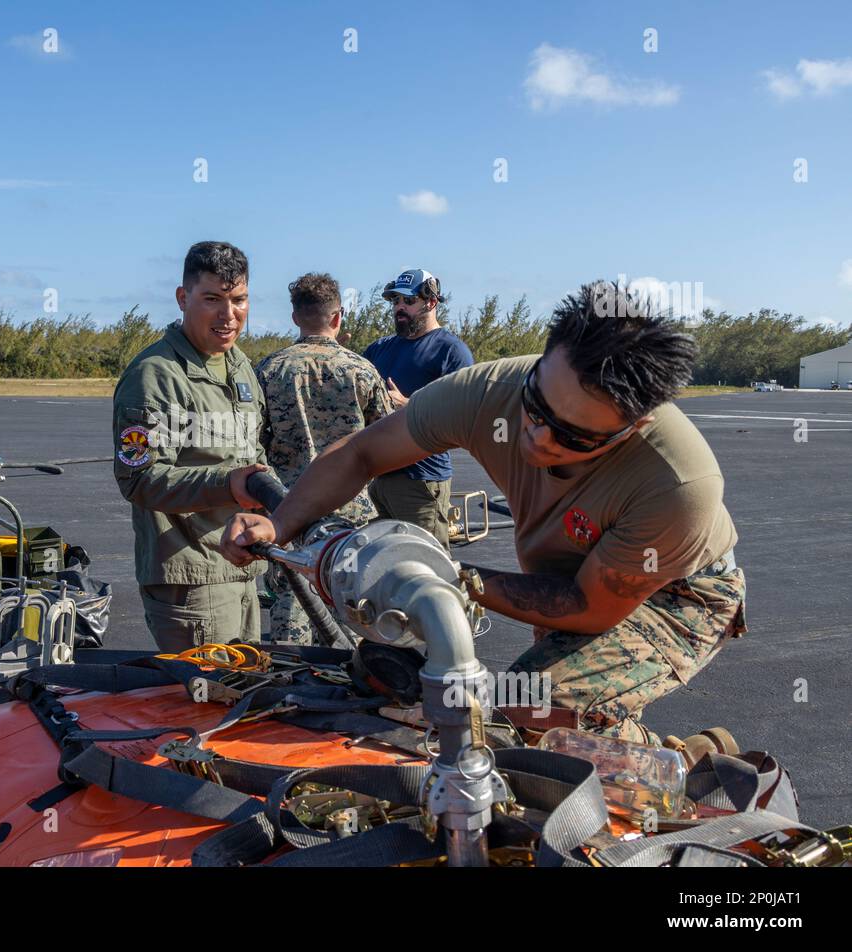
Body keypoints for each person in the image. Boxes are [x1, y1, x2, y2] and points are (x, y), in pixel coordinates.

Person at [221, 281, 743, 745]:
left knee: (534, 705)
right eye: (537, 407)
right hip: (564, 569)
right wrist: (281, 522)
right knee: (536, 724)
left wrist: (445, 577)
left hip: (676, 593)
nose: (536, 438)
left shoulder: (677, 483)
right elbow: (363, 452)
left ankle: (688, 775)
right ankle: (682, 754)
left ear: (634, 426)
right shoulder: (490, 391)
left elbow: (588, 608)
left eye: (572, 436)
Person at [113, 241, 268, 652]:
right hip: (193, 582)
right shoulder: (156, 376)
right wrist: (227, 484)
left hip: (242, 570)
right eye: (212, 299)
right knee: (209, 703)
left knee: (248, 698)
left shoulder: (239, 365)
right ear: (183, 298)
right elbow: (140, 479)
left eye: (239, 300)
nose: (228, 314)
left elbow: (253, 452)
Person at [254, 272, 391, 644]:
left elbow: (254, 441)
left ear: (296, 317)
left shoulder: (270, 371)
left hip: (288, 509)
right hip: (352, 511)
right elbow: (387, 439)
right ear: (338, 317)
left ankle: (288, 682)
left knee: (290, 599)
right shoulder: (362, 370)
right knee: (352, 602)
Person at [362, 269, 473, 548]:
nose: (399, 308)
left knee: (428, 567)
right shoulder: (379, 349)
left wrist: (410, 406)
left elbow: (465, 417)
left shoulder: (450, 351)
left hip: (420, 481)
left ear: (431, 303)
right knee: (381, 566)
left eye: (408, 301)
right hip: (376, 480)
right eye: (395, 301)